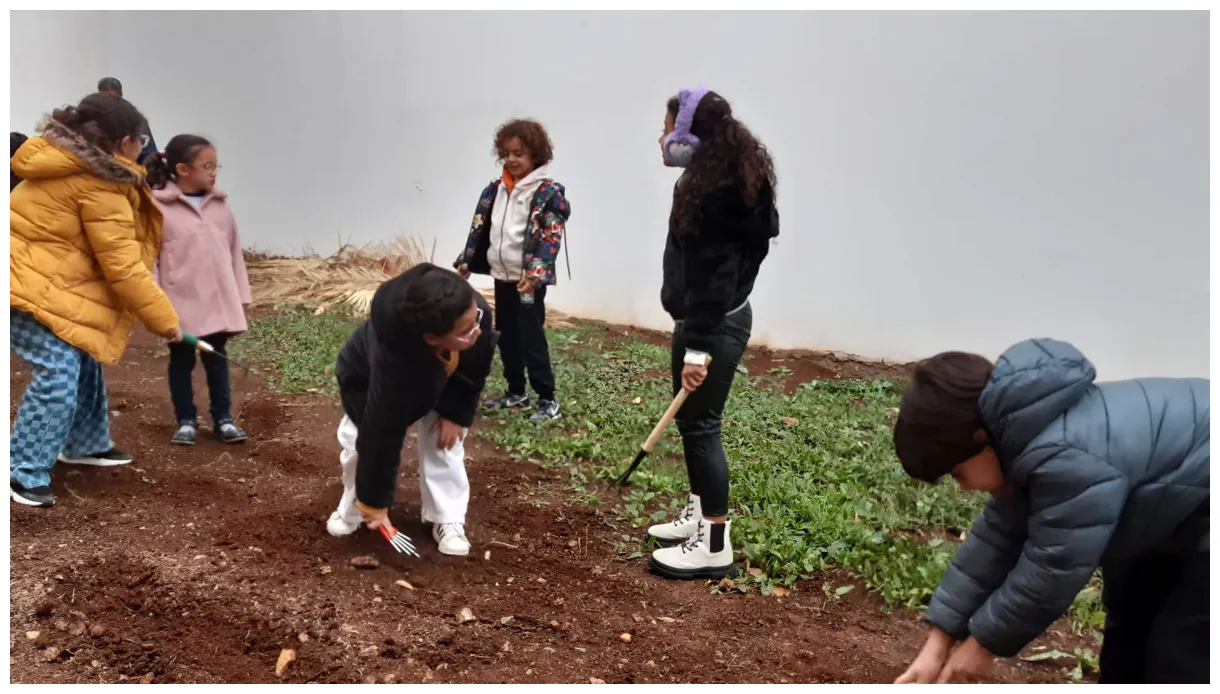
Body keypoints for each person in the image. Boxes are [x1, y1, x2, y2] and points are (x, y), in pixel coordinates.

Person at [892, 339, 1209, 684]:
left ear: (980, 437)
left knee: (1179, 654)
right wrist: (937, 646)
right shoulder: (1022, 439)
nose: (963, 487)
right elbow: (996, 539)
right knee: (1129, 629)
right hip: (1176, 511)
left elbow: (1052, 568)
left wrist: (981, 646)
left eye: (958, 474)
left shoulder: (1065, 456)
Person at [10, 93, 182, 508]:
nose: (144, 147)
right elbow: (123, 266)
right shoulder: (100, 184)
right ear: (124, 143)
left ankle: (86, 444)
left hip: (44, 281)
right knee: (57, 376)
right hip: (22, 288)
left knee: (83, 356)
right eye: (141, 139)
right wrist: (165, 321)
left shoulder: (68, 161)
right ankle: (21, 469)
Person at [644, 87, 780, 580]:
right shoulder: (735, 177)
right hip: (718, 319)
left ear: (687, 135)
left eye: (666, 129)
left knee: (701, 427)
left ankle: (713, 543)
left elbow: (715, 277)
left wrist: (698, 348)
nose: (659, 139)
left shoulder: (712, 192)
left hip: (712, 325)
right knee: (693, 424)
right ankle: (699, 515)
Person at [327, 263, 496, 557]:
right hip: (367, 385)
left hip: (442, 382)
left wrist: (455, 412)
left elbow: (476, 364)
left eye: (476, 320)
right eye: (466, 330)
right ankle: (357, 506)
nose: (477, 330)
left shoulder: (473, 312)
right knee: (359, 441)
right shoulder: (392, 359)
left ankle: (447, 517)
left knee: (445, 442)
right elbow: (381, 432)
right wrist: (375, 501)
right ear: (432, 338)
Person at [454, 119, 571, 424]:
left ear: (536, 155)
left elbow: (550, 237)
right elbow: (481, 229)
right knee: (505, 336)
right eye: (506, 153)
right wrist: (467, 258)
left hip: (527, 281)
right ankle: (516, 391)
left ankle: (547, 398)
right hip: (502, 276)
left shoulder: (547, 193)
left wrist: (534, 274)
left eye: (519, 153)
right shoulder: (496, 190)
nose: (512, 160)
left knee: (531, 337)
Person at [144, 135, 252, 445]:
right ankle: (186, 421)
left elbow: (234, 254)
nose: (213, 171)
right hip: (179, 307)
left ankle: (223, 419)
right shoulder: (157, 208)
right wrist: (156, 308)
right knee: (181, 362)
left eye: (215, 165)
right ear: (182, 169)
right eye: (206, 165)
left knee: (217, 360)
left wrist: (240, 297)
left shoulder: (221, 206)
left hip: (217, 305)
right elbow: (150, 261)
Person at [98, 77, 157, 163]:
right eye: (104, 98)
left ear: (120, 96)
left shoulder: (135, 119)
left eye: (112, 98)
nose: (108, 103)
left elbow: (149, 156)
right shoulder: (92, 119)